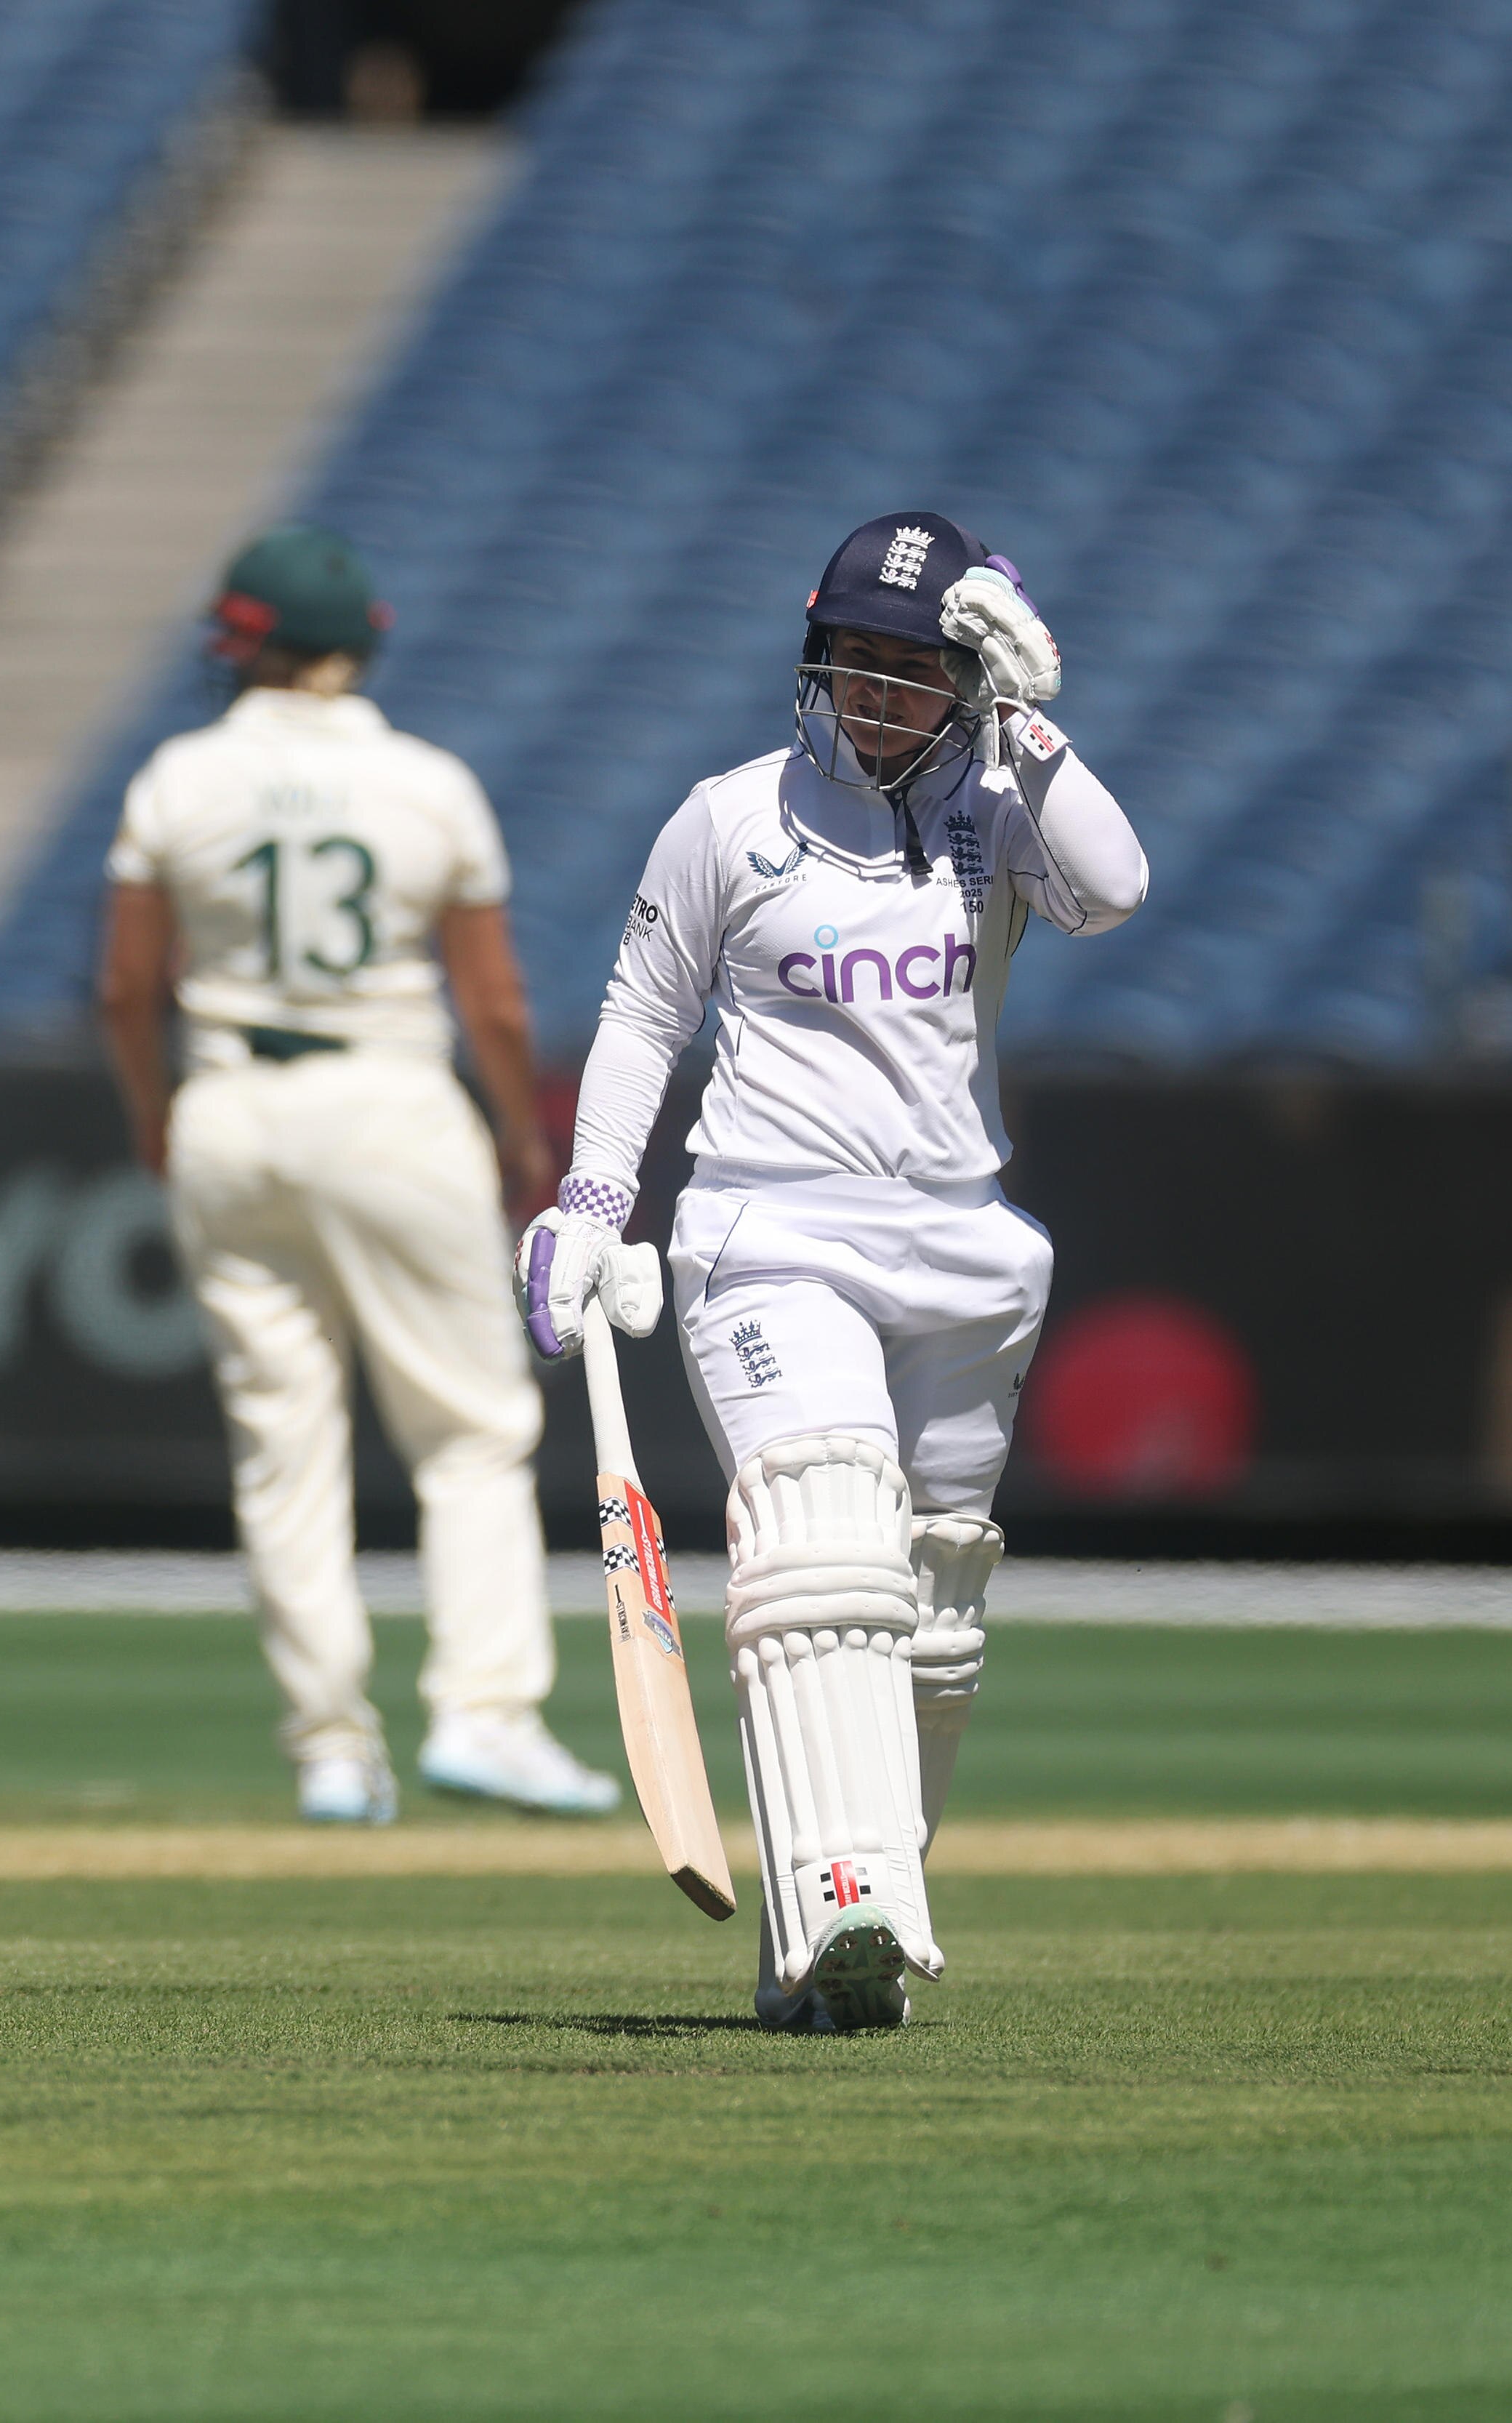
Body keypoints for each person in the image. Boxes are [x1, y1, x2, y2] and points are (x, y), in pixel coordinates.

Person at [520, 510, 1146, 2031]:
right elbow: (641, 1012)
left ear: (965, 682)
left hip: (963, 1239)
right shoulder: (728, 819)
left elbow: (1116, 885)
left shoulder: (998, 803)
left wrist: (1030, 726)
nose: (874, 692)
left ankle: (833, 1934)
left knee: (930, 1605)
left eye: (911, 667)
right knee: (823, 1542)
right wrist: (594, 1200)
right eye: (852, 658)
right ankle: (844, 1897)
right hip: (769, 1232)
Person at [97, 528, 617, 1827]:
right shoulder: (426, 783)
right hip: (388, 1097)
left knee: (284, 1444)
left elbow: (124, 985)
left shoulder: (179, 776)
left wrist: (157, 1111)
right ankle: (486, 1714)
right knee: (472, 1430)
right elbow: (493, 1000)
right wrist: (521, 1129)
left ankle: (331, 1745)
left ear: (241, 643)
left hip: (232, 1099)